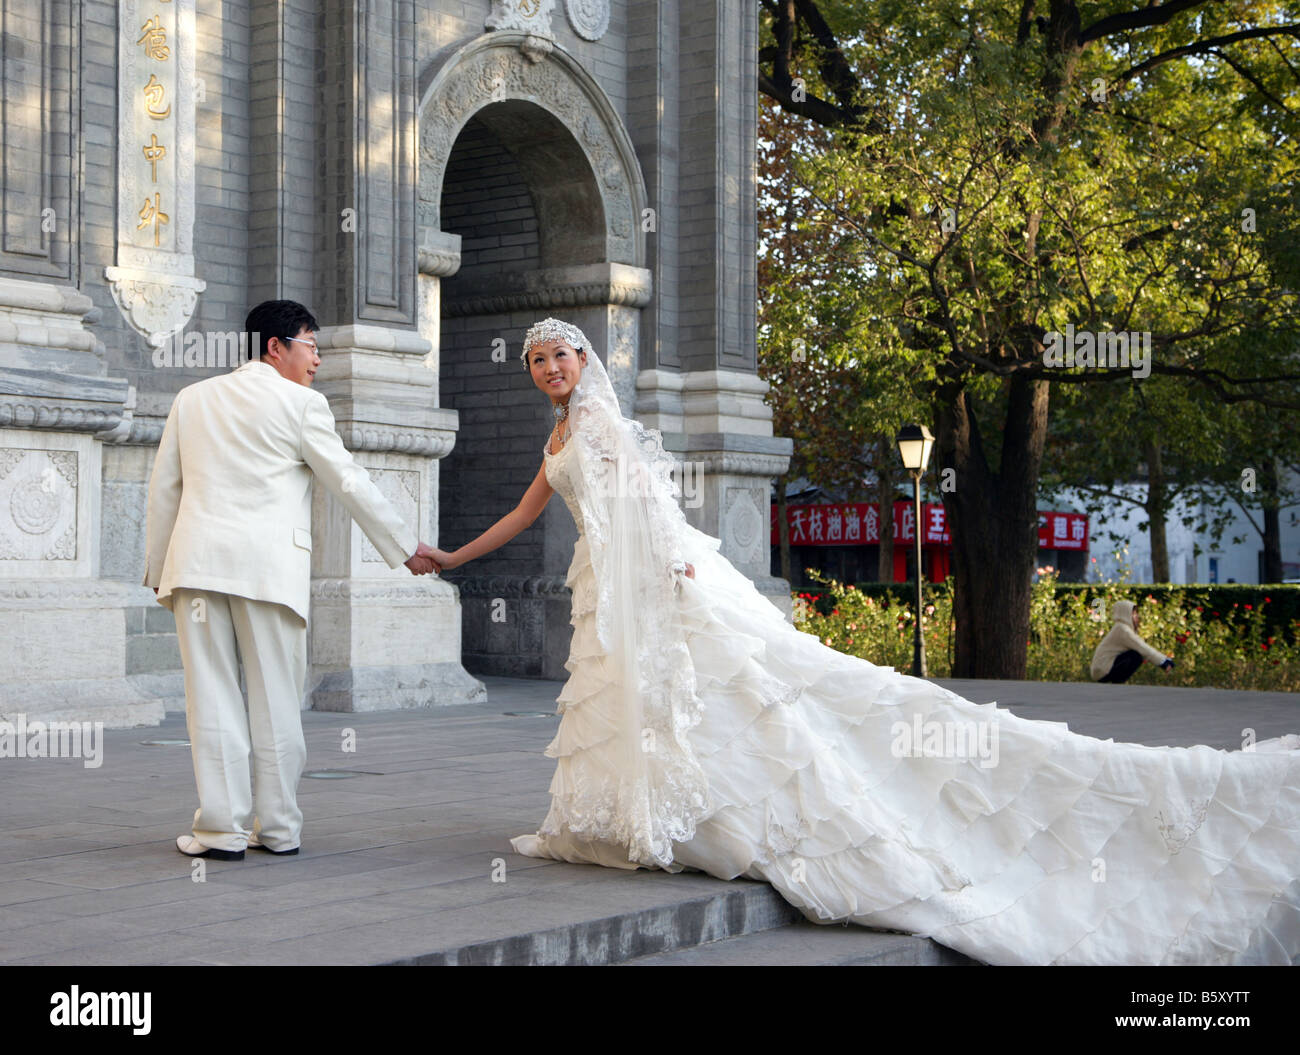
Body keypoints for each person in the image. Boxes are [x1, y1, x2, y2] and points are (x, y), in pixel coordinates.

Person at [430, 317, 1300, 966]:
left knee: (758, 696)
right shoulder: (558, 437)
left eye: (561, 355)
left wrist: (671, 575)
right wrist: (451, 556)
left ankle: (693, 814)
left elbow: (653, 508)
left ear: (586, 363)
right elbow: (522, 513)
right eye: (538, 359)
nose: (548, 368)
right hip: (606, 581)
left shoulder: (605, 427)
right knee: (662, 703)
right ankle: (645, 815)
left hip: (655, 579)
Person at [143, 300, 440, 861]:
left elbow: (165, 491)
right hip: (269, 572)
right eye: (311, 345)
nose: (318, 360)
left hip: (197, 570)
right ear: (275, 347)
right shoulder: (302, 405)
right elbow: (349, 482)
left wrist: (159, 570)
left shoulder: (192, 400)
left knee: (210, 701)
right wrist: (406, 547)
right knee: (276, 702)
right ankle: (277, 830)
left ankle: (220, 834)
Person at [1091, 599, 1174, 683]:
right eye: (1134, 613)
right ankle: (1117, 683)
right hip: (1102, 670)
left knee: (1135, 654)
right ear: (1125, 614)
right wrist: (1163, 662)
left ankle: (1116, 683)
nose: (1137, 616)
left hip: (1101, 669)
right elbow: (1142, 647)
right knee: (1136, 656)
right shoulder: (1122, 630)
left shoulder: (1120, 628)